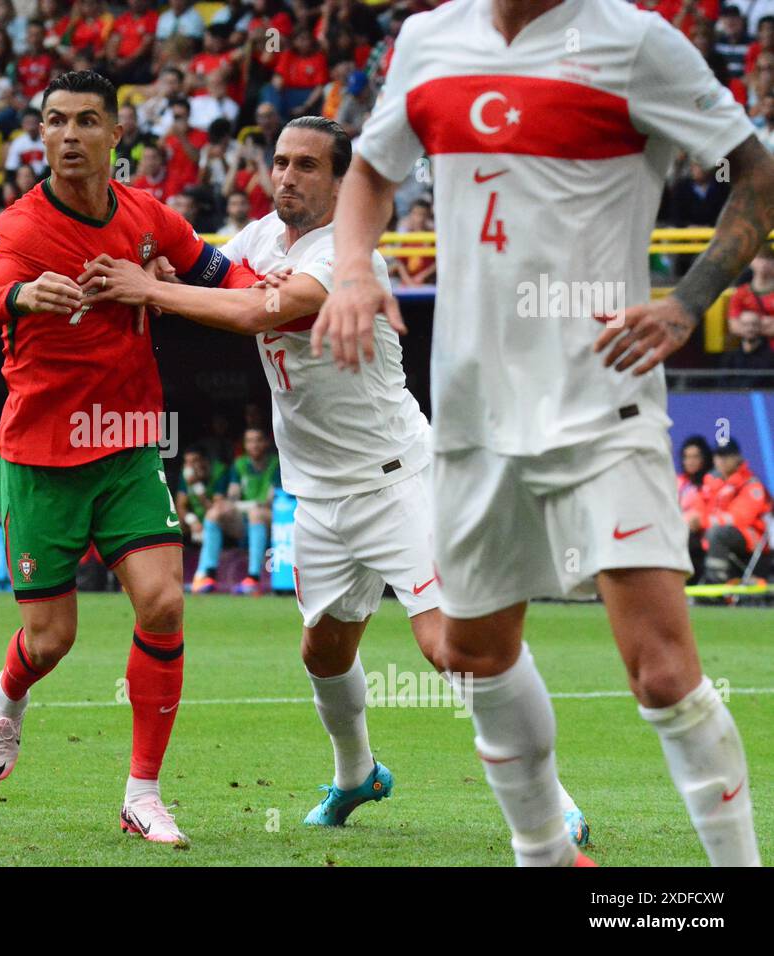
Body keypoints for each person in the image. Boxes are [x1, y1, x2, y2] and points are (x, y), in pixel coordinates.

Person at [312, 0, 773, 867]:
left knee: (662, 672)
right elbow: (370, 171)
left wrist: (687, 302)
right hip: (473, 413)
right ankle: (545, 857)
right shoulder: (429, 39)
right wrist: (350, 271)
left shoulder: (636, 42)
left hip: (603, 403)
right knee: (473, 652)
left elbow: (757, 171)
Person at [79, 114, 591, 841]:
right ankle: (357, 775)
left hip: (399, 481)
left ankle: (551, 799)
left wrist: (153, 290)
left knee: (450, 646)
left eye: (307, 165)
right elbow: (210, 272)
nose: (286, 176)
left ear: (345, 182)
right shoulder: (262, 237)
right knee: (323, 652)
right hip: (317, 494)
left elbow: (257, 309)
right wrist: (160, 272)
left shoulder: (352, 257)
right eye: (281, 161)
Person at [0, 70, 259, 846]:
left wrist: (283, 289)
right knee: (51, 640)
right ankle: (10, 690)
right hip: (40, 456)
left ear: (116, 134)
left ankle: (142, 795)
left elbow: (218, 271)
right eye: (56, 120)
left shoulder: (147, 217)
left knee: (163, 604)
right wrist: (20, 296)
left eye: (87, 121)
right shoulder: (20, 228)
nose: (70, 135)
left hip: (126, 442)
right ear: (40, 133)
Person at [189, 427, 279, 595]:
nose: (254, 445)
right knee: (215, 512)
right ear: (244, 445)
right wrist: (230, 504)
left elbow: (269, 502)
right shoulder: (239, 465)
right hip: (246, 521)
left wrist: (247, 505)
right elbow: (233, 496)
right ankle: (206, 575)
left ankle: (253, 578)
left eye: (258, 440)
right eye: (249, 441)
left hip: (272, 521)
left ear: (266, 443)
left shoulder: (276, 464)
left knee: (256, 513)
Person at [702, 438, 770, 584]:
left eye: (726, 455)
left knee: (717, 533)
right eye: (718, 455)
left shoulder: (751, 484)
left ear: (737, 457)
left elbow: (740, 518)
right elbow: (704, 511)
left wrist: (705, 522)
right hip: (719, 534)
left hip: (751, 537)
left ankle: (716, 583)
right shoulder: (712, 484)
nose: (722, 460)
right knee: (687, 533)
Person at [678, 435, 722, 582]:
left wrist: (697, 521)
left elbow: (715, 511)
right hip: (678, 530)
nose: (690, 461)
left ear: (704, 458)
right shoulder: (679, 482)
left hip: (700, 534)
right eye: (686, 457)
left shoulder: (712, 482)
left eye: (695, 457)